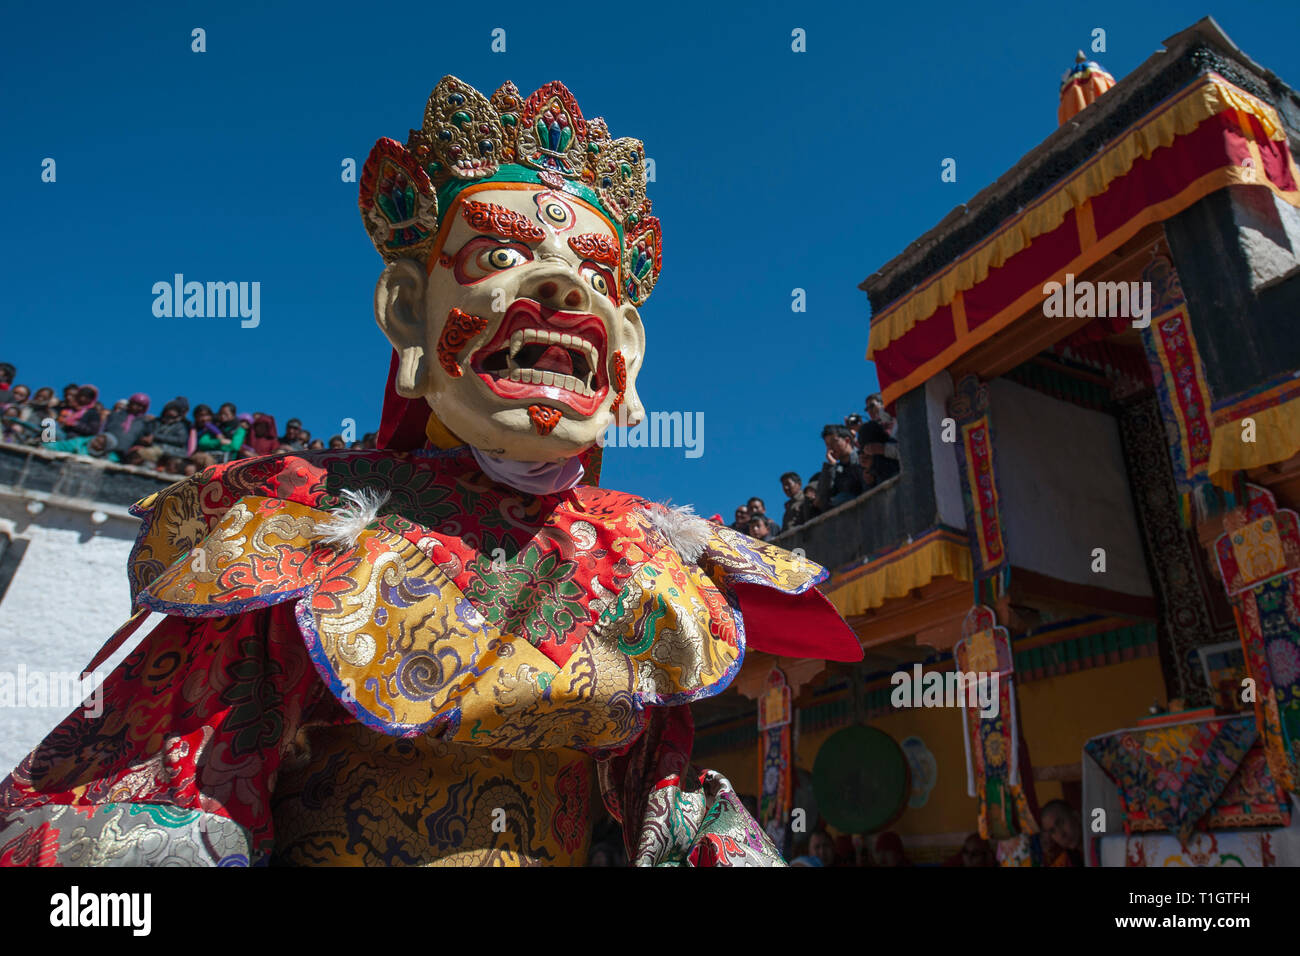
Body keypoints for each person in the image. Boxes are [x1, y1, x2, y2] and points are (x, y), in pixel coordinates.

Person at [0, 76, 863, 868]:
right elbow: (150, 801)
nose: (565, 289)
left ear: (627, 350)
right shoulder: (301, 526)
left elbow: (674, 818)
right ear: (410, 307)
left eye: (597, 276)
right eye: (499, 257)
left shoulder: (650, 562)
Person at [818, 424, 864, 508]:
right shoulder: (835, 468)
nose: (830, 448)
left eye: (833, 442)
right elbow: (823, 498)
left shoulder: (863, 457)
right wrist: (831, 466)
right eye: (827, 445)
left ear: (847, 440)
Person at [1040, 799, 1083, 866]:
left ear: (1076, 816)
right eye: (1052, 831)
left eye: (1060, 823)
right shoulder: (1066, 861)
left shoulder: (1102, 839)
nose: (1061, 834)